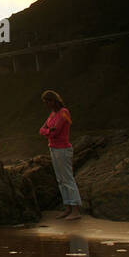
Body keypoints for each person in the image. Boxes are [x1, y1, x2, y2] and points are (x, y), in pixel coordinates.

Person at [39, 90, 82, 221]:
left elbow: (55, 132)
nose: (47, 104)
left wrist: (48, 131)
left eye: (48, 101)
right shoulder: (52, 114)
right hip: (53, 148)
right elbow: (41, 130)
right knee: (60, 180)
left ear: (54, 100)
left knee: (68, 178)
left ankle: (76, 210)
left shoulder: (64, 113)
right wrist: (48, 131)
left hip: (63, 149)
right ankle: (67, 207)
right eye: (45, 102)